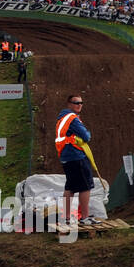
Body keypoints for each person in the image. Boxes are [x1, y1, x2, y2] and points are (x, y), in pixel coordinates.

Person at [54, 94, 98, 227]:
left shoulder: (61, 118)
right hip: (76, 155)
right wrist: (87, 134)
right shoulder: (72, 118)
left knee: (70, 187)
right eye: (76, 102)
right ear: (69, 104)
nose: (79, 105)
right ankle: (85, 218)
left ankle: (66, 217)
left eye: (81, 103)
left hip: (65, 156)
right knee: (86, 186)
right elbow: (86, 136)